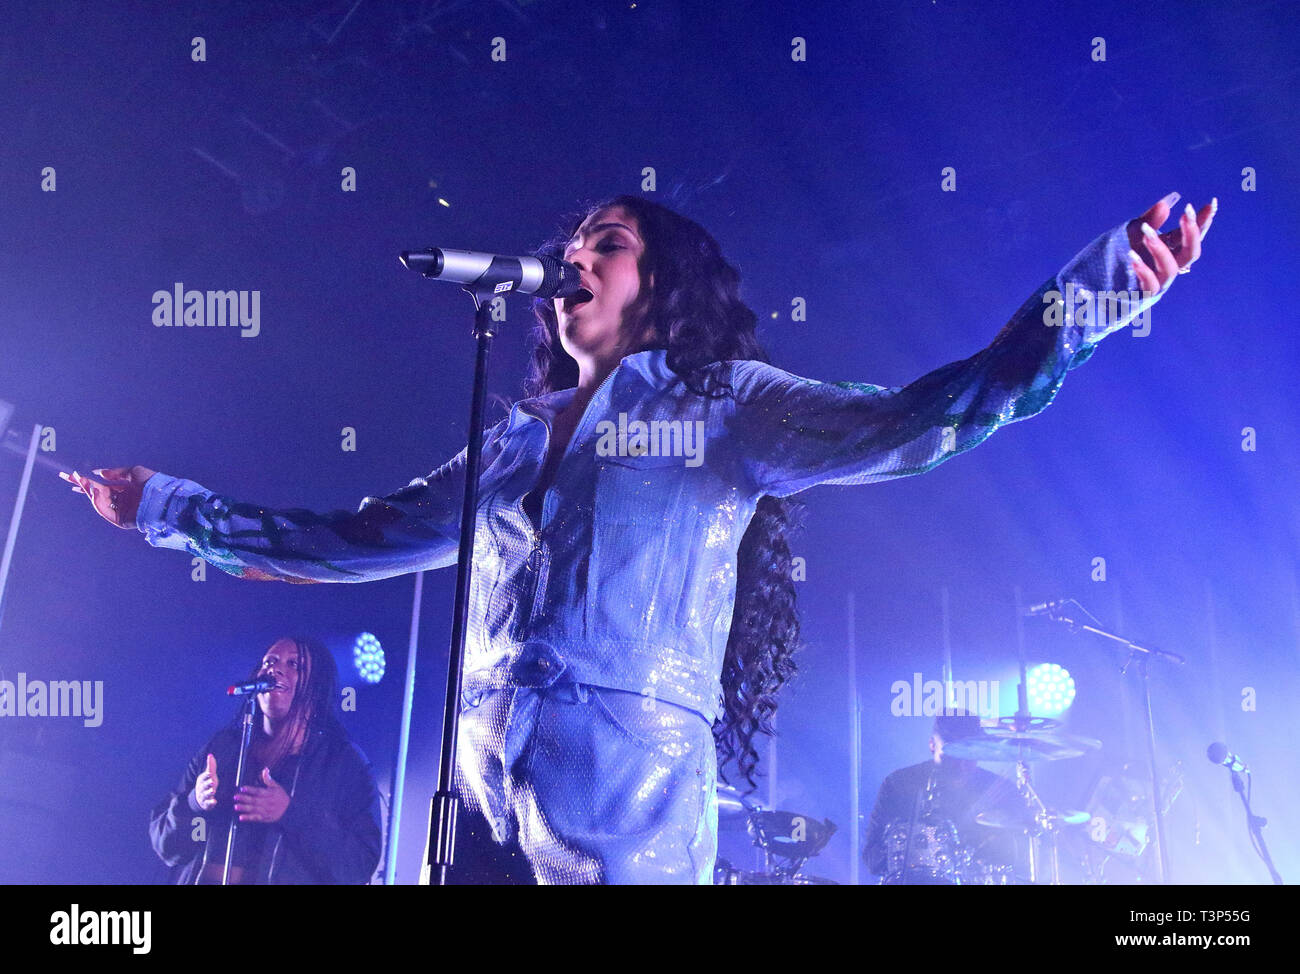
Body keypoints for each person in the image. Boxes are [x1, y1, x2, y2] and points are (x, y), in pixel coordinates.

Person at [70, 191, 1212, 884]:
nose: (572, 256)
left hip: (630, 835)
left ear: (657, 286)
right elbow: (349, 538)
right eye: (567, 242)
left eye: (603, 241)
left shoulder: (723, 406)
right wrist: (171, 509)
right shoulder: (509, 444)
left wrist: (1093, 294)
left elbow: (926, 416)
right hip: (477, 829)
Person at [148, 636, 382, 884]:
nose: (276, 669)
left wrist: (289, 814)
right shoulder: (223, 748)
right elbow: (165, 845)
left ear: (316, 688)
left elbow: (358, 865)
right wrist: (194, 802)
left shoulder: (342, 763)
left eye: (294, 665)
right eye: (269, 661)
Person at [863, 711, 1020, 884]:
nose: (962, 764)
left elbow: (1014, 856)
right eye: (952, 753)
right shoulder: (899, 784)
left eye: (970, 753)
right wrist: (905, 856)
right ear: (932, 744)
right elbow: (871, 857)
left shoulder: (999, 788)